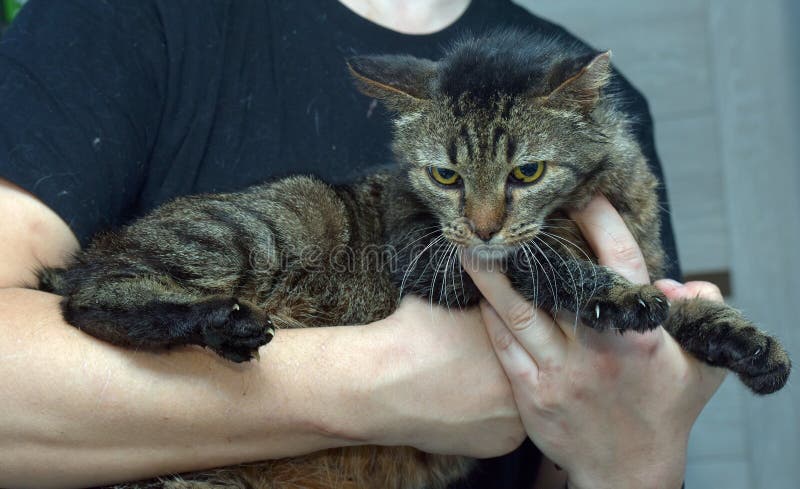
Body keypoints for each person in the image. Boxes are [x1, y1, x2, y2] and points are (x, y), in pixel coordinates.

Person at [0, 1, 725, 488]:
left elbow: (623, 429)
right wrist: (376, 383)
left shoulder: (590, 98)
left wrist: (637, 458)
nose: (482, 219)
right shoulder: (121, 18)